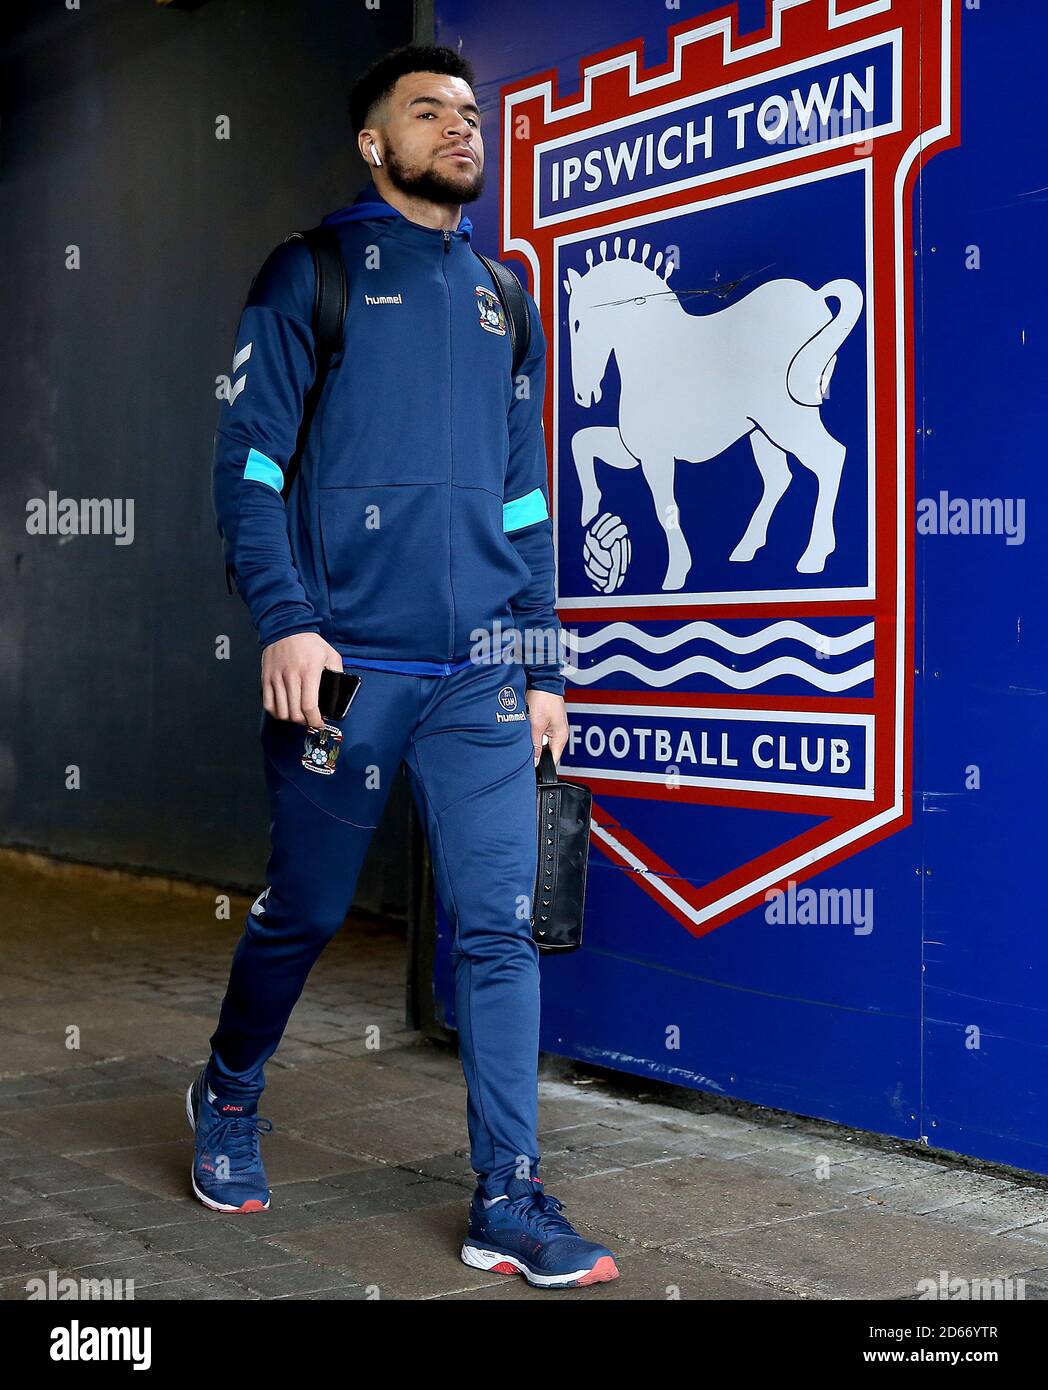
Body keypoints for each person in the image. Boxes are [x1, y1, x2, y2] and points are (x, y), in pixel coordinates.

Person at [191, 42, 619, 1290]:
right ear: (374, 145)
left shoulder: (508, 295)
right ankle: (226, 1091)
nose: (460, 128)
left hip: (483, 673)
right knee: (307, 909)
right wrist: (284, 619)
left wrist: (542, 661)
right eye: (427, 113)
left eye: (471, 114)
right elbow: (250, 466)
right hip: (345, 668)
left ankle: (508, 1195)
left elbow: (526, 495)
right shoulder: (311, 272)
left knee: (499, 930)